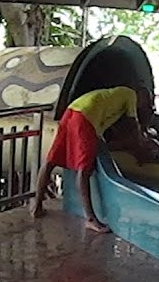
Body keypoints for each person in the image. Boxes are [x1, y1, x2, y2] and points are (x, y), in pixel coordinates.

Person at [31, 85, 152, 233]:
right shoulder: (130, 94)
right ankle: (90, 219)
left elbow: (105, 127)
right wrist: (143, 144)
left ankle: (36, 206)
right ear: (140, 95)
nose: (145, 104)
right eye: (146, 100)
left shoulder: (114, 98)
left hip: (71, 112)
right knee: (84, 169)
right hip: (84, 118)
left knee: (51, 161)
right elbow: (133, 125)